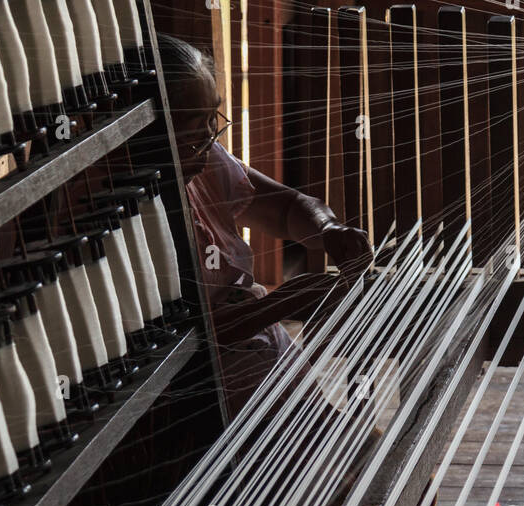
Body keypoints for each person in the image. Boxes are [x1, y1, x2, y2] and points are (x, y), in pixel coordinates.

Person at [157, 33, 372, 421]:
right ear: (151, 131)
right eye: (192, 126)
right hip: (203, 392)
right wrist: (279, 304)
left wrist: (329, 231)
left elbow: (288, 208)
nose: (209, 137)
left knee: (354, 449)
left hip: (259, 348)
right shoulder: (136, 218)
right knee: (336, 462)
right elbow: (175, 343)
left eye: (212, 118)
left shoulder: (205, 164)